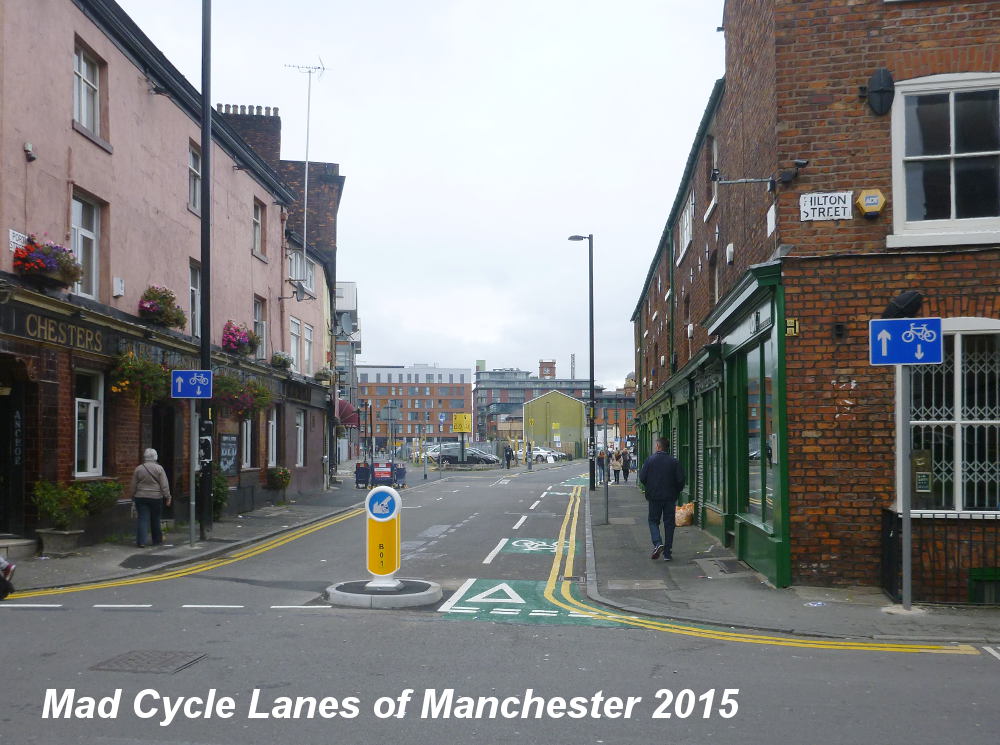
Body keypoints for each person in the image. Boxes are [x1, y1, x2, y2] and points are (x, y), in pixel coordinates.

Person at [638, 436, 686, 561]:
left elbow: (642, 477)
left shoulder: (650, 460)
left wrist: (650, 487)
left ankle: (657, 542)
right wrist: (676, 491)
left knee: (653, 521)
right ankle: (667, 553)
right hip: (670, 497)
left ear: (658, 446)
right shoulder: (674, 462)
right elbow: (681, 480)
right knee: (669, 524)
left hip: (654, 497)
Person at [129, 448, 172, 548]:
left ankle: (141, 542)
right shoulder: (159, 469)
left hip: (141, 497)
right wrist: (168, 496)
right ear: (155, 457)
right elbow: (164, 485)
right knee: (155, 519)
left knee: (142, 519)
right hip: (156, 498)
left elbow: (133, 485)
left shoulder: (139, 469)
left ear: (145, 457)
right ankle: (156, 540)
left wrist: (132, 495)